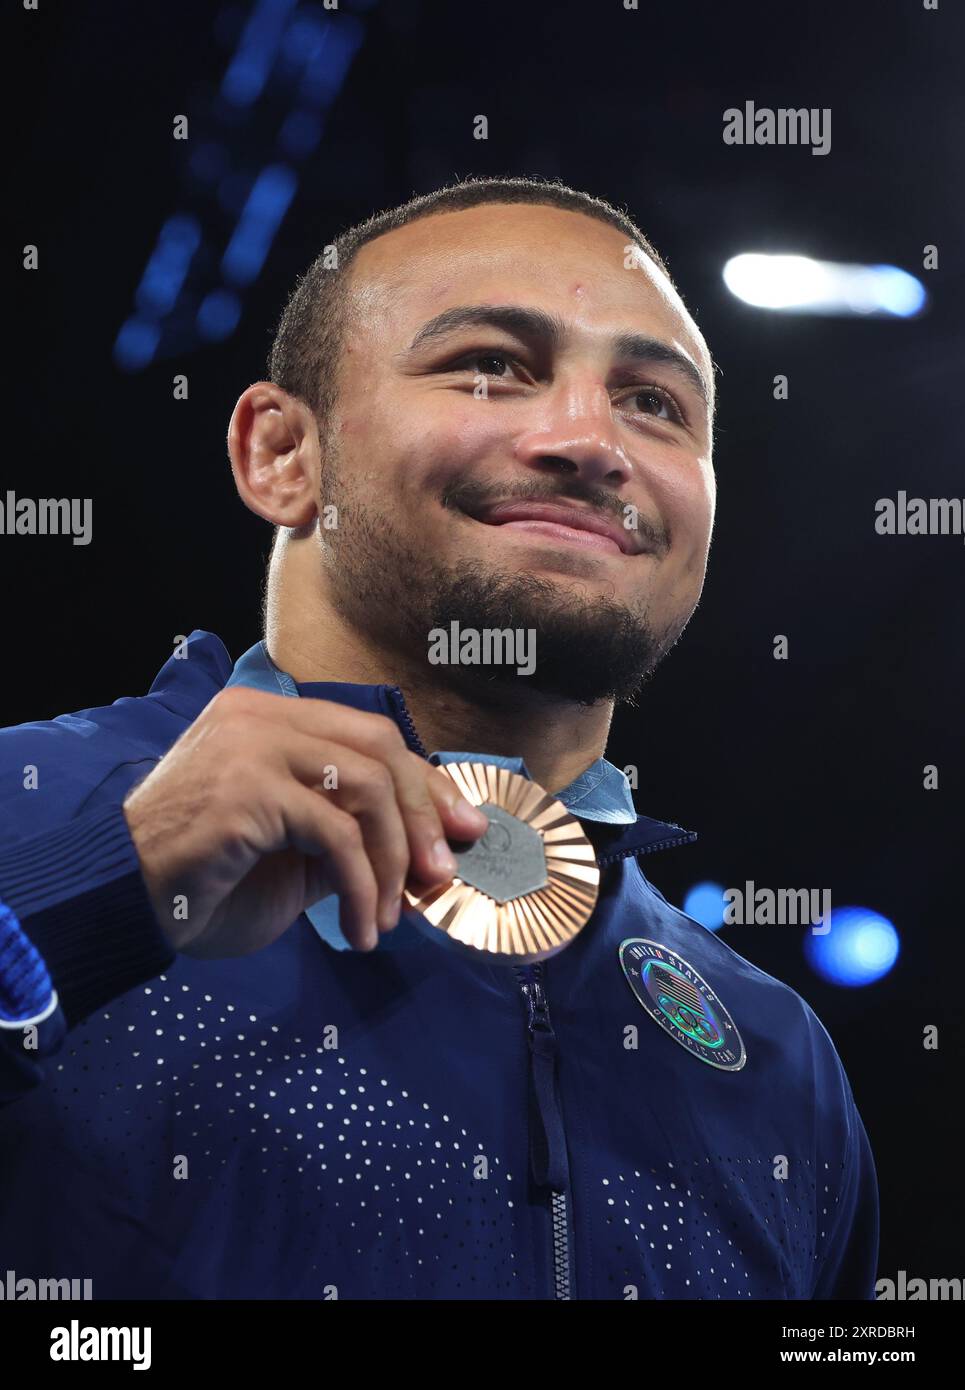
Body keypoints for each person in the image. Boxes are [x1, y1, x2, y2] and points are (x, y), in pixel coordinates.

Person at [0, 176, 878, 1300]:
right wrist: (102, 889)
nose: (588, 441)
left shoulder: (777, 1057)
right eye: (490, 365)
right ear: (281, 455)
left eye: (654, 402)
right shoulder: (27, 807)